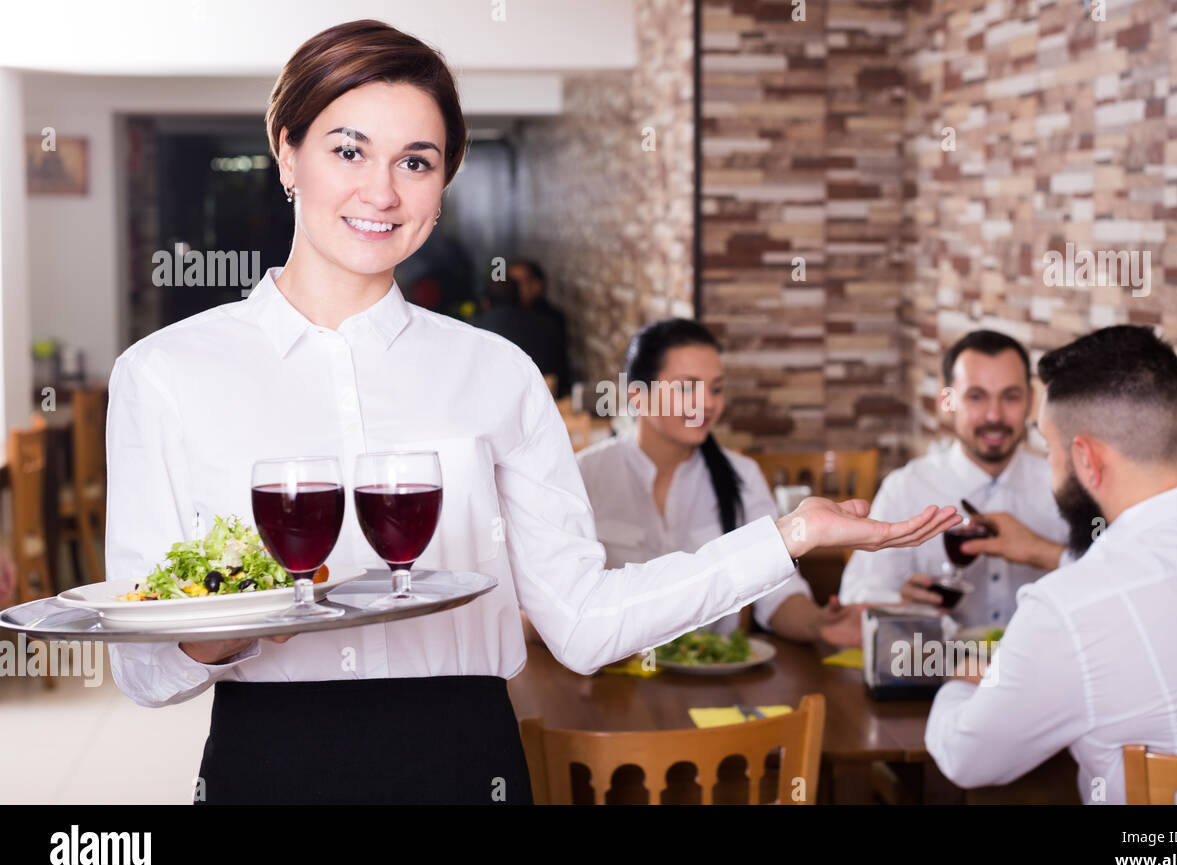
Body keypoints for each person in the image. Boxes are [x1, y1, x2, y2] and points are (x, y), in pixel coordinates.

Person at [104, 19, 958, 805]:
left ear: (442, 185)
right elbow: (143, 672)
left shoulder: (499, 373)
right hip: (270, 763)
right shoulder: (166, 376)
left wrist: (789, 536)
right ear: (286, 153)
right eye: (349, 150)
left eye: (417, 161)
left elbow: (583, 623)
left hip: (463, 759)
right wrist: (231, 623)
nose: (383, 191)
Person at [924, 325, 1177, 804]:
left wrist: (962, 676)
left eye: (1050, 446)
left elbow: (967, 758)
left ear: (1086, 459)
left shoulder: (1066, 611)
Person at [577, 319, 864, 647]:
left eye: (715, 389)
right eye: (687, 388)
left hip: (714, 685)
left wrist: (818, 624)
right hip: (611, 683)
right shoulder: (586, 474)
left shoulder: (743, 475)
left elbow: (779, 594)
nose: (708, 404)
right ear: (638, 397)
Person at [838, 330, 1069, 628]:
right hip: (935, 670)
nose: (994, 416)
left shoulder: (1064, 485)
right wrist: (900, 603)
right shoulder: (906, 488)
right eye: (976, 397)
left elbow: (1107, 578)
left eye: (1010, 397)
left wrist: (1042, 550)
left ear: (1030, 402)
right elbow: (854, 597)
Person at [472, 276, 567, 394]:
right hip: (544, 397)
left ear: (485, 303)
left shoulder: (475, 330)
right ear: (519, 296)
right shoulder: (546, 323)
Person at [507, 259, 572, 395]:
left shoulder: (549, 320)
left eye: (518, 283)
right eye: (509, 283)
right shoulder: (509, 317)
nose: (512, 288)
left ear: (536, 285)